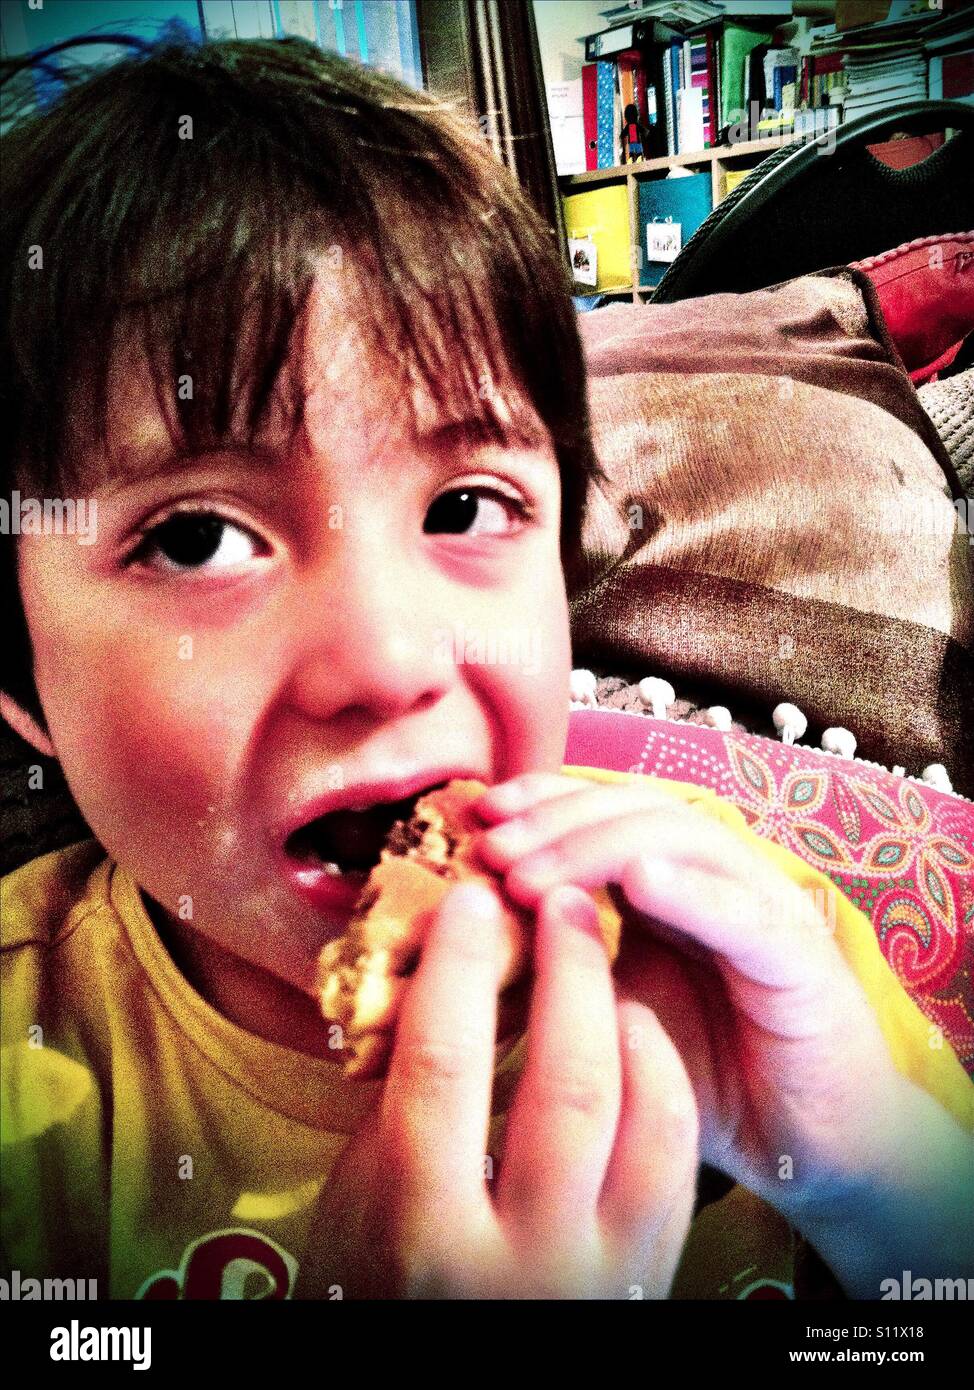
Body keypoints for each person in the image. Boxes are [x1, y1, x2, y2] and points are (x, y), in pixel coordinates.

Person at [1, 35, 970, 1302]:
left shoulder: (754, 935)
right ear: (22, 686)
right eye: (195, 538)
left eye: (464, 508)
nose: (390, 659)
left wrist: (872, 1174)